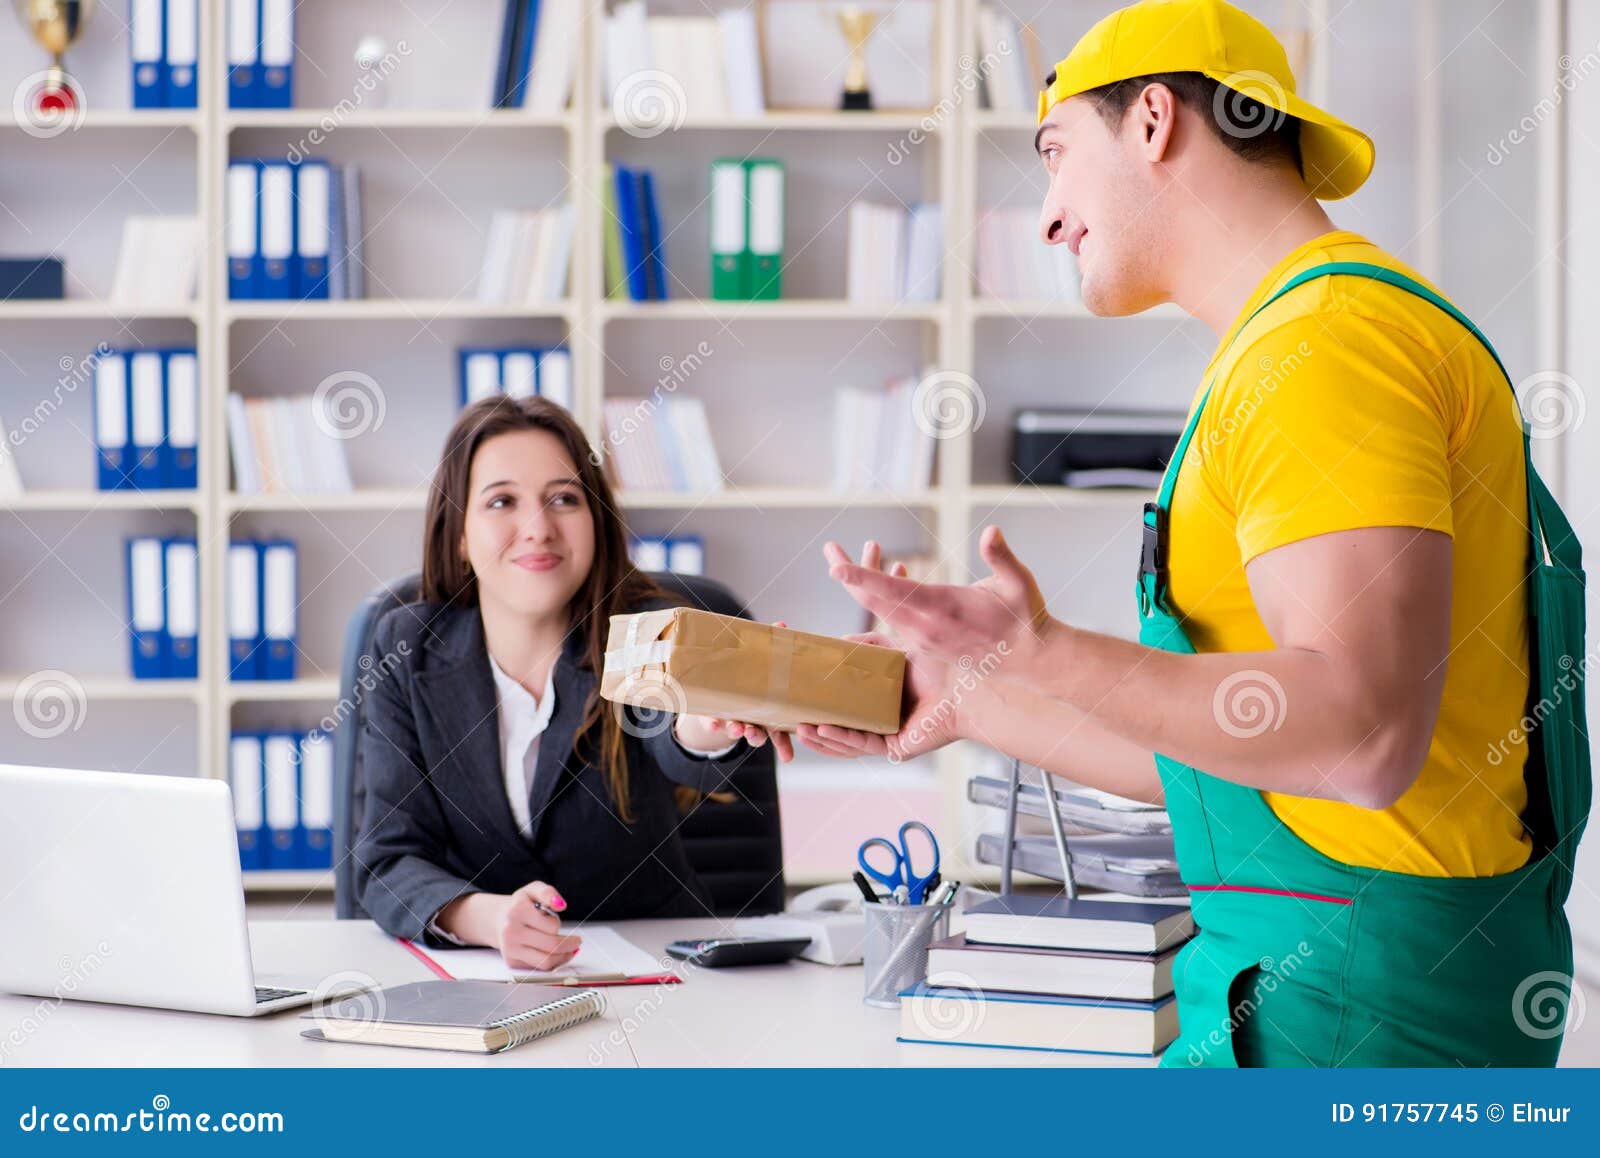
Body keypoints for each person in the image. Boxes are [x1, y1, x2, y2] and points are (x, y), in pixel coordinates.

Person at [799, 0, 1589, 1067]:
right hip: (1323, 990)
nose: (1048, 217)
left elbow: (1360, 739)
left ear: (1155, 119)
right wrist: (967, 694)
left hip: (1353, 1024)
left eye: (1055, 152)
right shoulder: (1310, 340)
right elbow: (1246, 752)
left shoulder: (1322, 351)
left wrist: (1049, 650)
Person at [353, 396, 792, 969]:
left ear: (595, 520)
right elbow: (387, 859)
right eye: (501, 501)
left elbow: (677, 738)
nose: (537, 528)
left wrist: (706, 722)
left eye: (563, 498)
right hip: (479, 979)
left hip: (657, 977)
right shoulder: (406, 648)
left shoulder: (645, 631)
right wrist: (485, 918)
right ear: (459, 534)